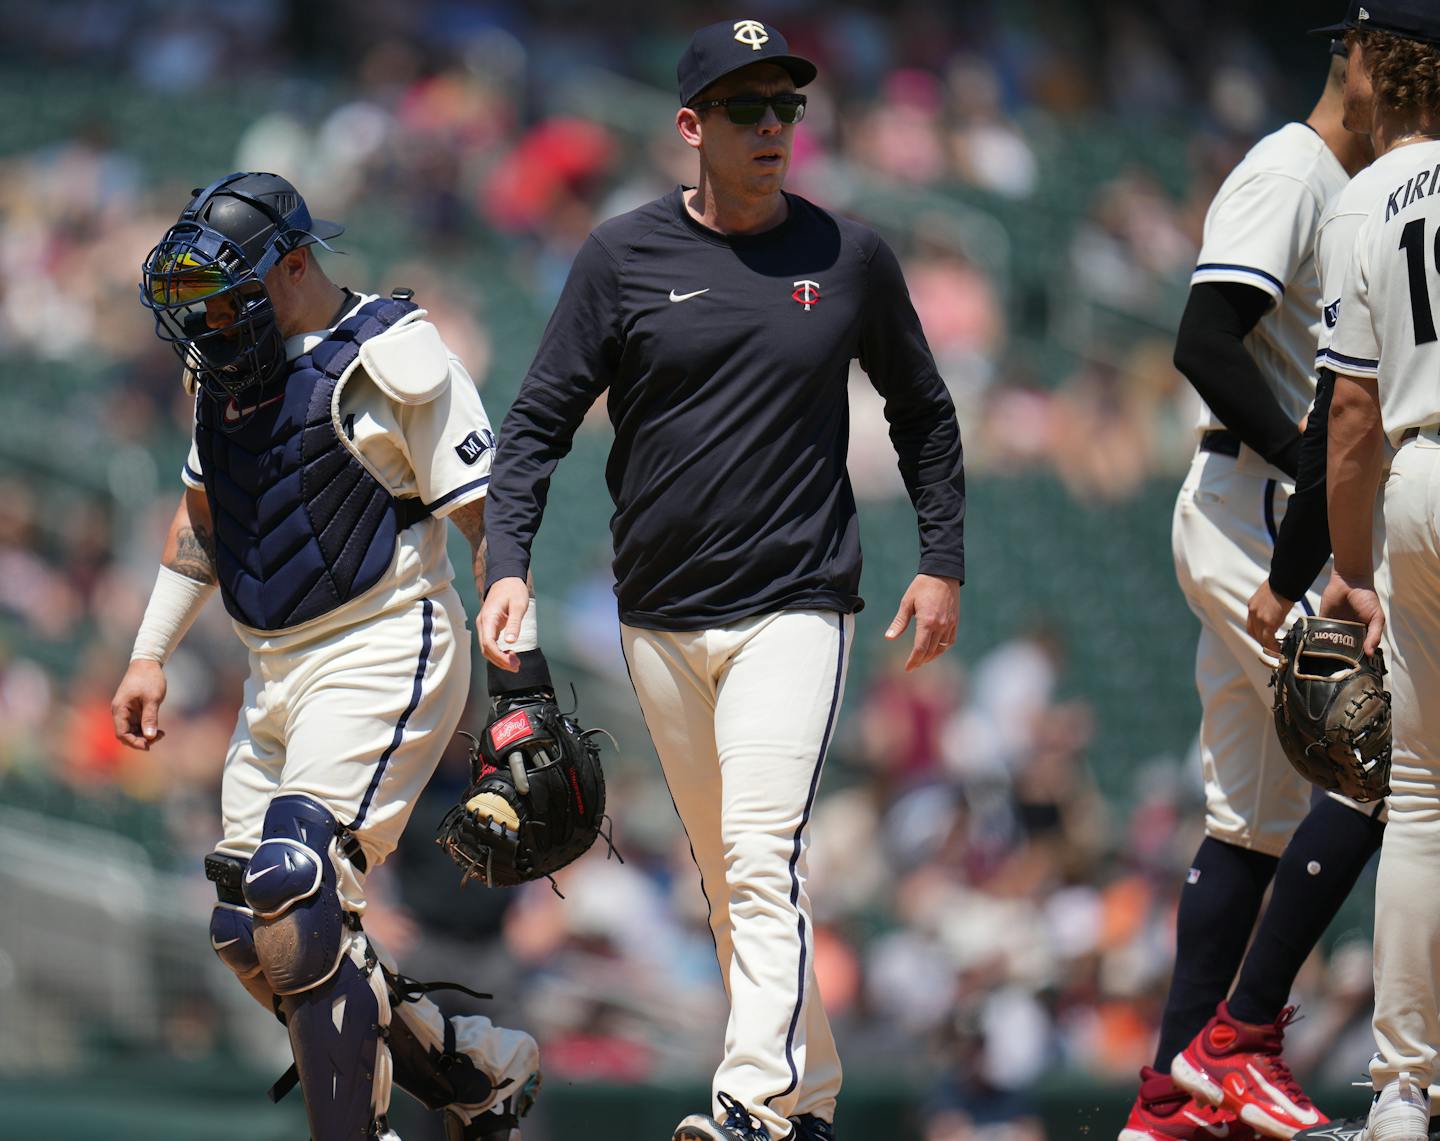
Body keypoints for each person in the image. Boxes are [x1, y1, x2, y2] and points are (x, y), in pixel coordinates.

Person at [478, 19, 966, 1141]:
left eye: (787, 106)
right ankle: (816, 1100)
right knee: (730, 878)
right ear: (691, 127)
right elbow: (536, 423)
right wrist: (507, 564)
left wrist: (939, 561)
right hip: (657, 617)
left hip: (796, 603)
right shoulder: (621, 258)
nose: (773, 127)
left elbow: (925, 415)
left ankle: (749, 1103)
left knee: (757, 851)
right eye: (746, 108)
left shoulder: (849, 256)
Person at [109, 172, 539, 1141]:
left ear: (296, 264)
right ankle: (468, 1062)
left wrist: (526, 672)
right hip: (272, 671)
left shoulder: (388, 353)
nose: (212, 318)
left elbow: (487, 514)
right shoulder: (224, 373)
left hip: (384, 639)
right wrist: (149, 652)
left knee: (294, 883)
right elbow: (201, 527)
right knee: (247, 929)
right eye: (199, 302)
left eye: (231, 292)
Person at [1121, 25, 1377, 1141]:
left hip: (1268, 504)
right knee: (1381, 740)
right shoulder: (1291, 169)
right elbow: (1204, 340)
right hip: (1258, 510)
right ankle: (1242, 1039)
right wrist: (1312, 469)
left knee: (1251, 819)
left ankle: (1165, 1106)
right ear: (1368, 63)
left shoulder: (1354, 184)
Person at [1306, 5, 1440, 1137]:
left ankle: (1403, 1092)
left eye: (1352, 48)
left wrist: (1353, 569)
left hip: (1416, 483)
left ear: (1382, 65)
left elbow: (1351, 412)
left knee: (1423, 802)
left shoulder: (1365, 197)